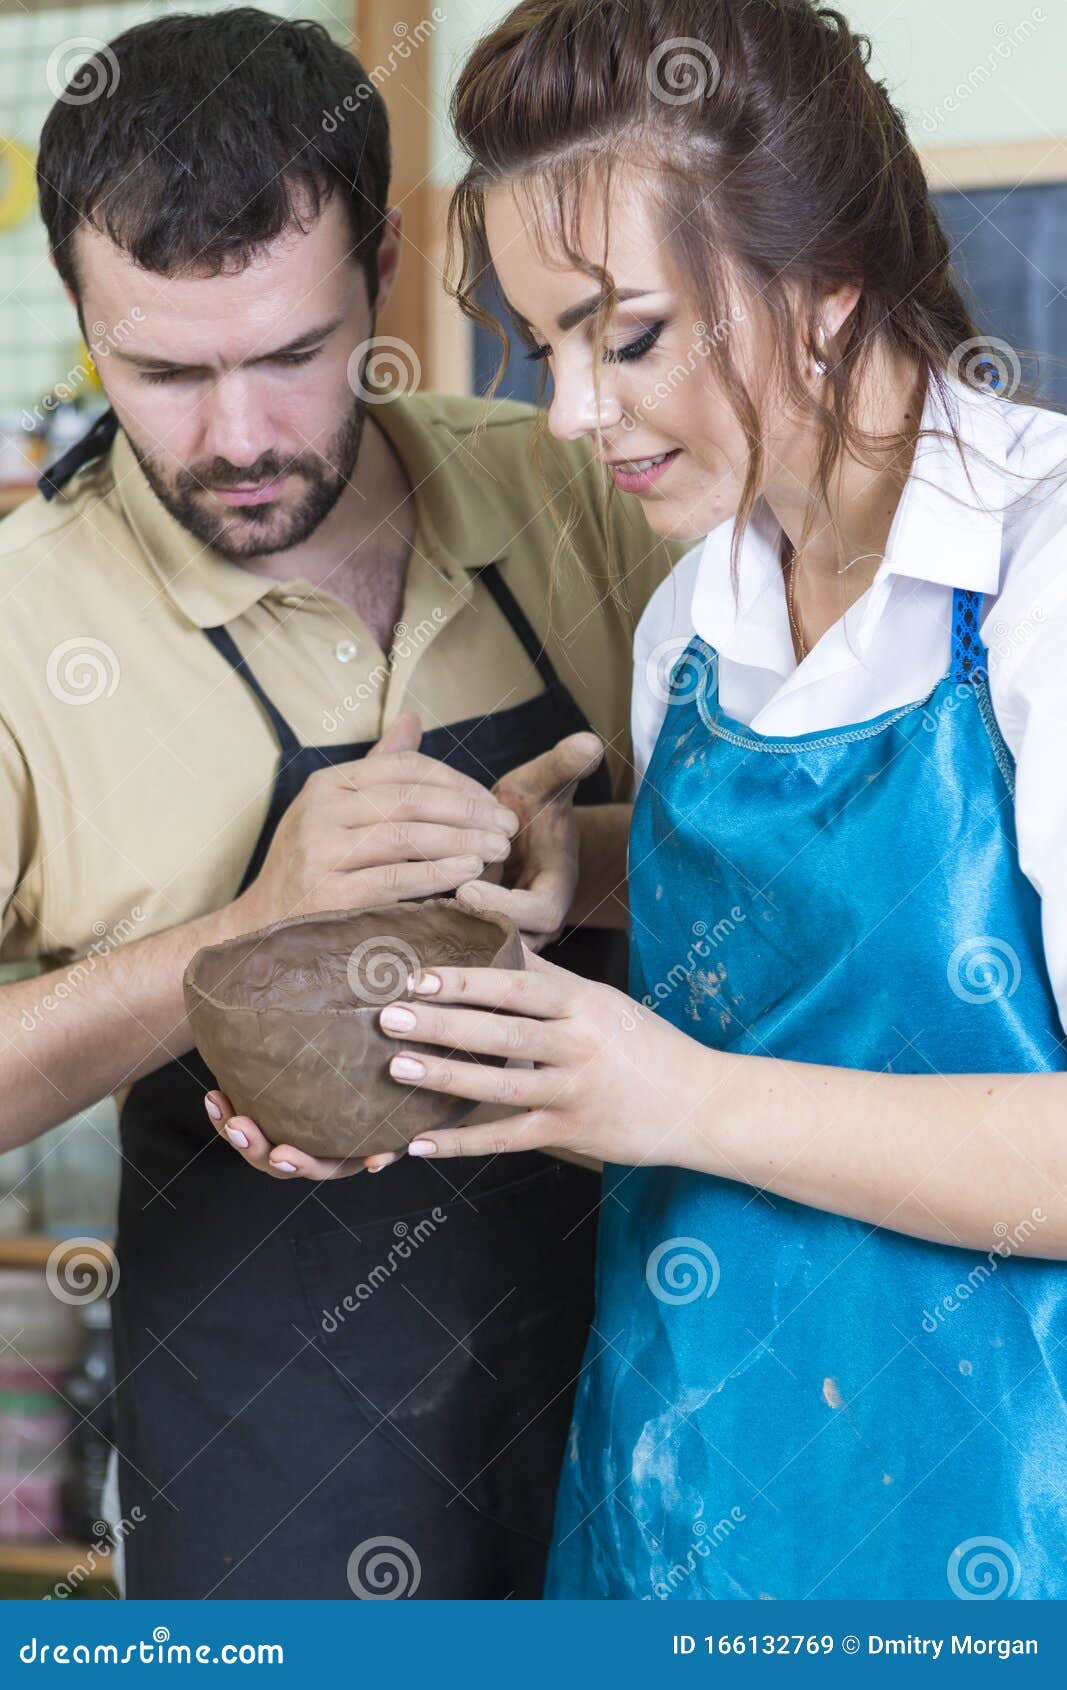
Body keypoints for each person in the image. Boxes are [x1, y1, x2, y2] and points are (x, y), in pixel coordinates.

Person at [348, 0, 1067, 1600]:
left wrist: (679, 1100)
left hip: (994, 1522)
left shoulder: (1043, 570)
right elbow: (821, 906)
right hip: (681, 1488)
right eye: (546, 346)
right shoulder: (697, 609)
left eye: (630, 336)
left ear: (822, 280)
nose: (571, 414)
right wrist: (580, 861)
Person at [0, 9, 678, 1598]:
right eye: (161, 371)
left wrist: (569, 865)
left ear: (379, 263)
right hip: (277, 1474)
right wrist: (243, 934)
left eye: (293, 357)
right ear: (82, 318)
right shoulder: (27, 637)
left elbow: (806, 864)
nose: (237, 438)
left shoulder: (573, 487)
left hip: (651, 1395)